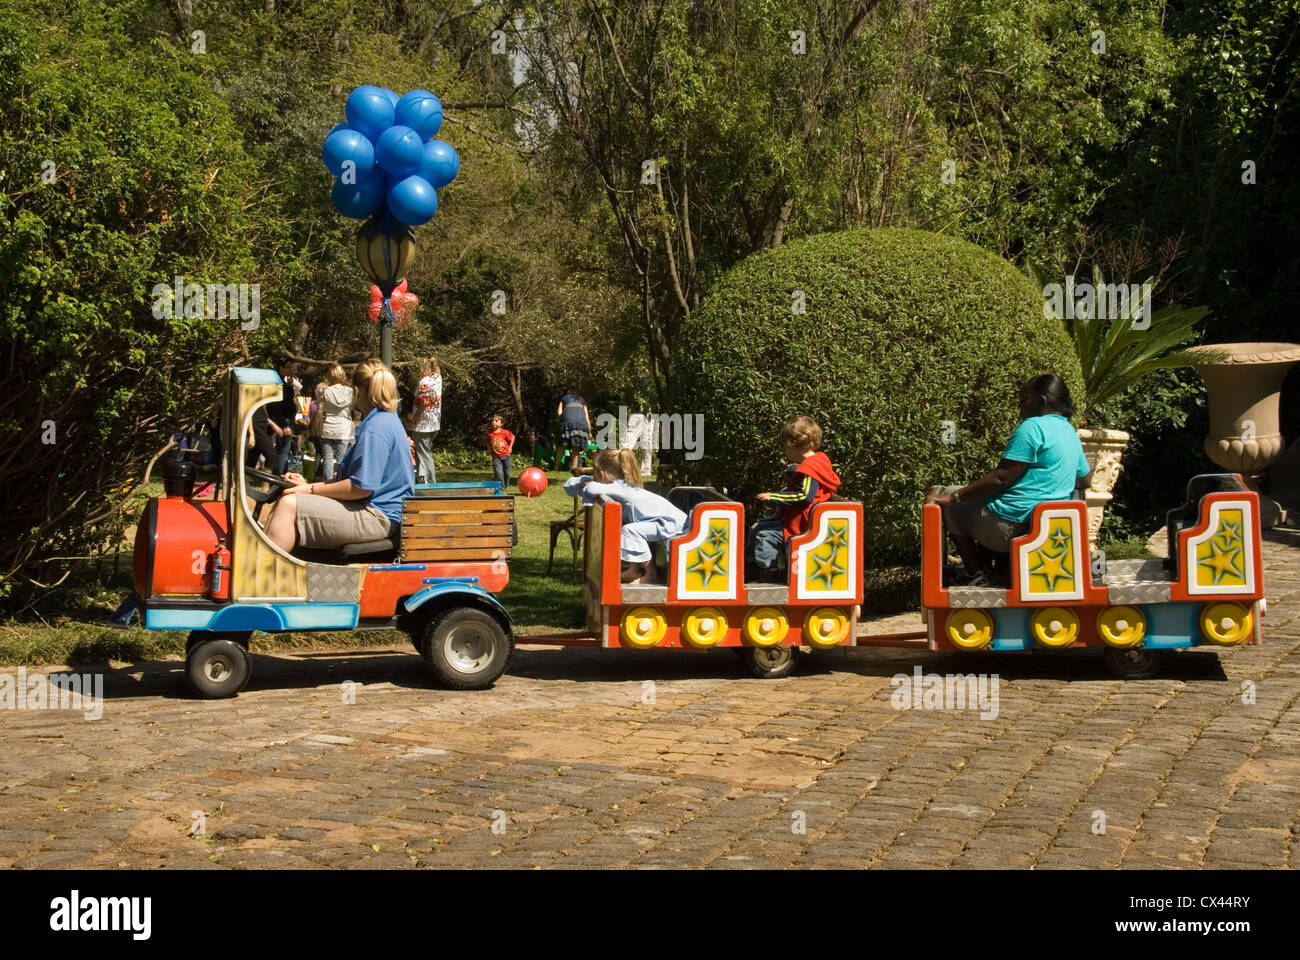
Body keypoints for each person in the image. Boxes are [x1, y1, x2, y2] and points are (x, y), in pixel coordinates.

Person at [925, 373, 1093, 586]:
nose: (1020, 408)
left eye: (1024, 400)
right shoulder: (1069, 432)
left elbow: (1001, 478)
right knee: (984, 499)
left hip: (1012, 524)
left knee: (949, 500)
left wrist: (955, 497)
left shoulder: (1032, 427)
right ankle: (998, 572)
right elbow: (1085, 480)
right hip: (1046, 525)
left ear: (1041, 401)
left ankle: (976, 574)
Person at [264, 358, 415, 553]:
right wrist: (308, 485)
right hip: (377, 512)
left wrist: (310, 490)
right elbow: (354, 484)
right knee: (288, 499)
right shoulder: (384, 420)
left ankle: (263, 578)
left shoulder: (375, 428)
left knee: (288, 505)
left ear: (357, 391)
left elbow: (361, 488)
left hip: (378, 517)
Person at [564, 448, 687, 583]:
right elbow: (570, 485)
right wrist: (583, 482)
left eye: (594, 474)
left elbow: (592, 489)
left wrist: (587, 483)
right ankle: (634, 570)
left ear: (601, 474)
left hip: (671, 523)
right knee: (631, 528)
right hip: (666, 521)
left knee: (630, 530)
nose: (594, 478)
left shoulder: (619, 487)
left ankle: (651, 573)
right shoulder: (622, 486)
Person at [746, 415, 841, 583]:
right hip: (798, 519)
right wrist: (796, 470)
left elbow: (804, 496)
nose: (785, 450)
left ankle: (770, 575)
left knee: (765, 537)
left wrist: (773, 496)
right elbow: (811, 480)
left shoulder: (810, 468)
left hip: (802, 525)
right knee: (756, 527)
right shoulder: (818, 460)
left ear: (792, 444)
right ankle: (750, 569)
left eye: (785, 446)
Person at [317, 363, 355, 483]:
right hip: (344, 428)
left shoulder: (325, 391)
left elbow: (321, 406)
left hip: (328, 426)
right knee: (341, 459)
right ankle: (341, 482)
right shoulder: (350, 391)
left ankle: (327, 483)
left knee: (328, 459)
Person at [408, 355, 442, 483]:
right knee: (424, 451)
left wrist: (415, 418)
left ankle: (431, 481)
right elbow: (438, 370)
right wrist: (434, 361)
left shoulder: (424, 382)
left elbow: (425, 402)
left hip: (423, 425)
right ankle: (422, 477)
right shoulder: (437, 378)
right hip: (434, 424)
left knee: (424, 455)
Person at [267, 355, 300, 474]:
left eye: (292, 367)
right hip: (282, 421)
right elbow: (281, 406)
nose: (291, 370)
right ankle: (278, 478)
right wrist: (285, 424)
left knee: (282, 451)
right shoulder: (280, 385)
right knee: (282, 451)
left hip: (281, 420)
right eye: (288, 367)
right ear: (281, 367)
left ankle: (280, 476)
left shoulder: (283, 383)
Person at [557, 392, 591, 470]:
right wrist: (589, 431)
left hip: (567, 423)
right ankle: (574, 469)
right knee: (576, 446)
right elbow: (586, 417)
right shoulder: (582, 400)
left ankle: (556, 467)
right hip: (581, 424)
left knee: (562, 445)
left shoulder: (564, 398)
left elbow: (559, 413)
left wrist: (563, 418)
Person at [486, 414, 515, 490]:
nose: (493, 422)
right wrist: (489, 448)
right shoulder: (489, 433)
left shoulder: (504, 432)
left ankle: (505, 486)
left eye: (496, 421)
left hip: (506, 456)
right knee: (499, 473)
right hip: (496, 457)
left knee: (507, 473)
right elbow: (487, 441)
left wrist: (510, 448)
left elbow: (512, 437)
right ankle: (500, 489)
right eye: (492, 420)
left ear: (501, 423)